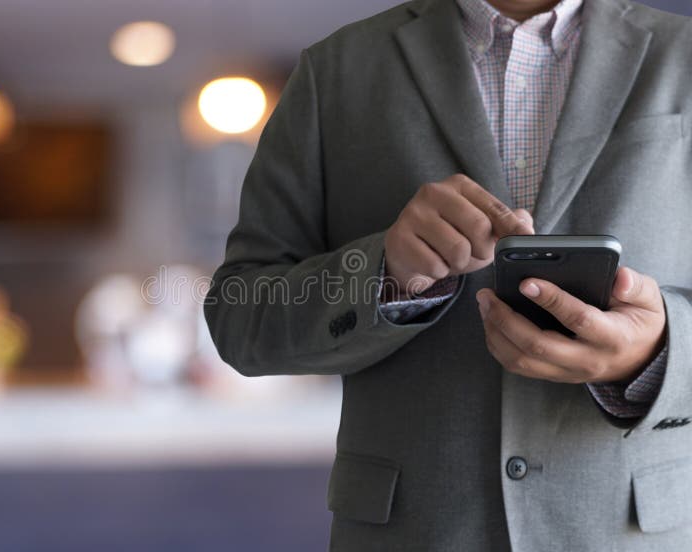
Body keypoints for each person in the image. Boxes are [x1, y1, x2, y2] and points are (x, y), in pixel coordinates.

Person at [204, 0, 692, 549]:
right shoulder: (336, 71)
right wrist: (385, 272)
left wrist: (658, 354)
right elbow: (240, 316)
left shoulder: (683, 56)